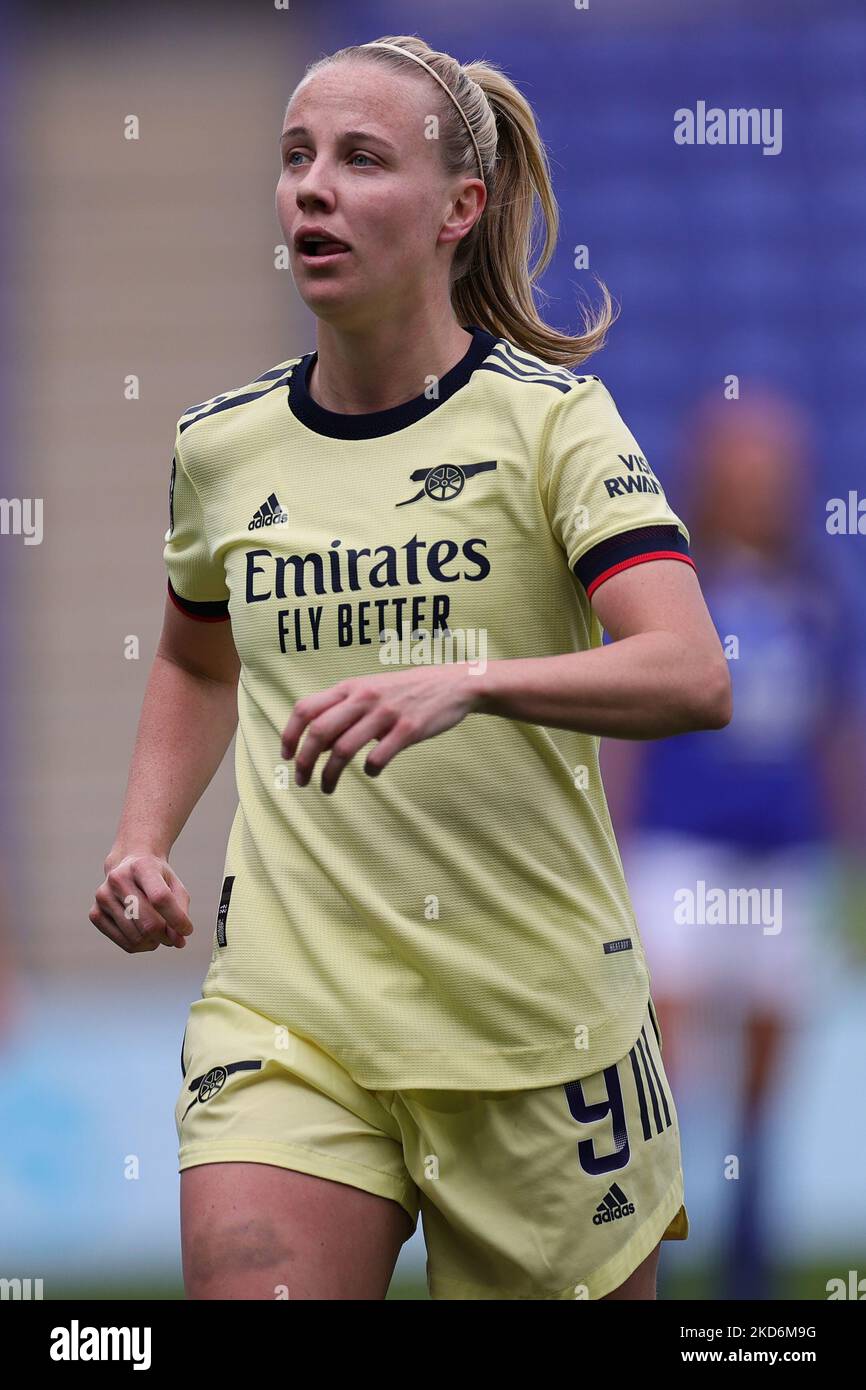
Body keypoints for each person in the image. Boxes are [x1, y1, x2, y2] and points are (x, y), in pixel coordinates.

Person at [89, 34, 731, 1301]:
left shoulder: (550, 423)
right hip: (290, 1015)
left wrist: (473, 682)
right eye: (295, 159)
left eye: (359, 159)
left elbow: (690, 672)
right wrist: (141, 837)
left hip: (534, 1025)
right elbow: (195, 659)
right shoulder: (220, 447)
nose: (310, 189)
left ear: (459, 209)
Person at [603, 389, 866, 1299]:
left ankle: (747, 1274)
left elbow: (834, 735)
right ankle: (648, 1259)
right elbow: (626, 734)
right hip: (680, 857)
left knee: (763, 1085)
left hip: (787, 865)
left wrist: (844, 854)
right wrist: (616, 847)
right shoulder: (676, 584)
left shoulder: (816, 594)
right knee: (663, 1074)